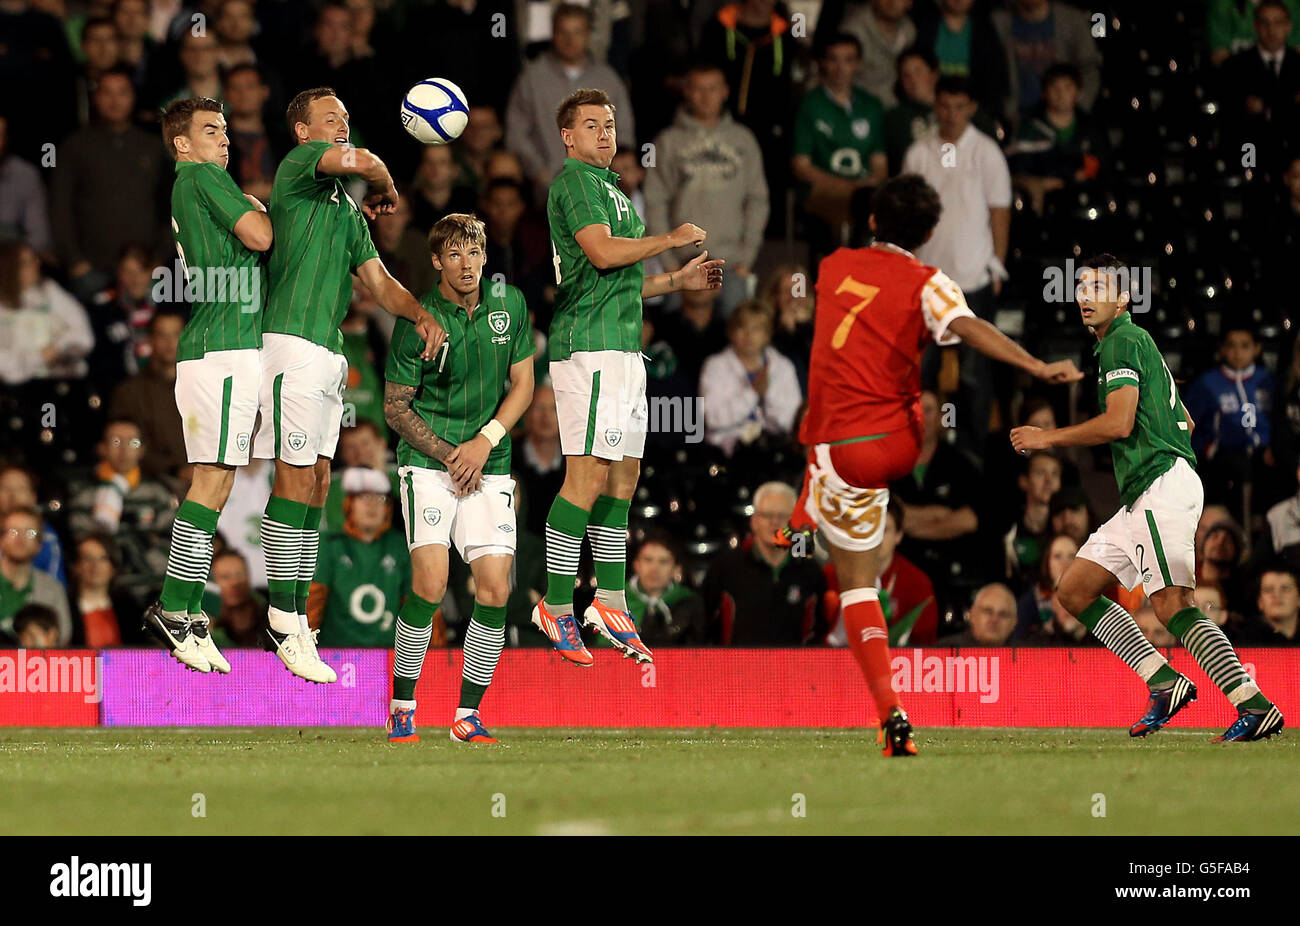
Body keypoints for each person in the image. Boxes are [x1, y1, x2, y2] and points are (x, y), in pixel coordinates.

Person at [781, 173, 1080, 757]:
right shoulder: (927, 281)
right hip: (899, 444)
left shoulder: (832, 266)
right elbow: (969, 328)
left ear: (871, 220)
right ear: (931, 232)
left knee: (857, 585)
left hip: (845, 447)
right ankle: (806, 506)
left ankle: (890, 709)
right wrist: (1036, 366)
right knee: (862, 430)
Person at [1012, 254, 1285, 741]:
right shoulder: (1134, 344)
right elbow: (1188, 422)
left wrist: (1046, 438)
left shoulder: (1121, 341)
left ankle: (1255, 704)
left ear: (1123, 298)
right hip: (1146, 492)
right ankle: (1164, 681)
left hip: (1161, 485)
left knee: (1173, 604)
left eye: (1099, 288)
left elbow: (1118, 423)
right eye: (1081, 287)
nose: (1085, 296)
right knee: (1074, 589)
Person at [253, 86, 445, 685]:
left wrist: (420, 314)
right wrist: (386, 183)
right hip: (290, 340)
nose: (341, 126)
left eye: (346, 117)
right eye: (330, 119)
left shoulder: (341, 209)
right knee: (294, 473)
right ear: (303, 134)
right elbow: (364, 162)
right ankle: (284, 618)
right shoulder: (297, 171)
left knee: (318, 480)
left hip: (326, 354)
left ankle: (292, 617)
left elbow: (379, 283)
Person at [530, 87, 722, 668]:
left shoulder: (614, 189)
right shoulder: (572, 184)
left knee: (624, 475)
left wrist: (676, 282)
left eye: (610, 124)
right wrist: (667, 240)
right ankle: (557, 604)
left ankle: (608, 601)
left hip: (619, 348)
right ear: (568, 137)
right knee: (586, 477)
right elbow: (604, 254)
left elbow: (620, 281)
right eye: (592, 126)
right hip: (586, 346)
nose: (605, 134)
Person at [383, 213, 534, 744]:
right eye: (454, 254)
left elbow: (524, 383)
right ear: (436, 261)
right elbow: (395, 409)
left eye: (473, 252)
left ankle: (466, 715)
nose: (466, 263)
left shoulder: (509, 306)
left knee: (494, 592)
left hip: (488, 462)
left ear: (485, 256)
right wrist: (454, 454)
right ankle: (403, 704)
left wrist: (483, 443)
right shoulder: (418, 320)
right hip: (428, 465)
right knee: (430, 585)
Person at [141, 96, 273, 676]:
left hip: (222, 349)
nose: (225, 140)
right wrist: (256, 205)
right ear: (182, 145)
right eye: (211, 130)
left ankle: (189, 612)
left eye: (224, 130)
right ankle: (174, 607)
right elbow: (262, 237)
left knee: (216, 484)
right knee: (211, 481)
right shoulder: (202, 177)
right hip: (219, 351)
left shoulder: (195, 183)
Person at [903, 76, 1012, 455]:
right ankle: (913, 451)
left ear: (971, 108)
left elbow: (999, 210)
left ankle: (973, 457)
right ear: (935, 106)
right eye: (944, 106)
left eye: (959, 106)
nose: (950, 114)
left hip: (974, 281)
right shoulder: (917, 154)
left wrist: (997, 264)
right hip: (926, 283)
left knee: (975, 377)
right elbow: (905, 215)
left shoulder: (987, 153)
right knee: (919, 373)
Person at [643, 60, 768, 316]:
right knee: (680, 341)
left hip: (732, 263)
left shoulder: (743, 140)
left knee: (739, 340)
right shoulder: (667, 142)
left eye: (713, 88)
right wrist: (667, 262)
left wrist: (747, 256)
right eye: (698, 89)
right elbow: (654, 202)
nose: (705, 97)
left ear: (725, 91)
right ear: (686, 92)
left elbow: (757, 200)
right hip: (682, 264)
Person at [51, 67, 169, 300]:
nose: (115, 100)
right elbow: (59, 206)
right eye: (107, 93)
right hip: (91, 269)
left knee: (151, 335)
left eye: (122, 92)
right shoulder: (74, 146)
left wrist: (159, 258)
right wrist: (74, 260)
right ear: (96, 98)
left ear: (133, 97)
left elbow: (170, 204)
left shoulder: (153, 146)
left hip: (145, 269)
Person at [505, 4, 635, 204]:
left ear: (588, 35)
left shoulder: (608, 80)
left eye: (577, 32)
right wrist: (541, 172)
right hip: (545, 195)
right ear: (553, 34)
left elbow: (624, 134)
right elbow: (516, 134)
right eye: (563, 32)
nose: (570, 40)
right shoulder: (532, 79)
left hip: (600, 196)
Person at [793, 34, 887, 261]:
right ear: (822, 63)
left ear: (858, 64)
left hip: (863, 195)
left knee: (873, 207)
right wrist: (845, 187)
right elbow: (801, 166)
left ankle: (860, 266)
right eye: (833, 59)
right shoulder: (809, 104)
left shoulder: (871, 105)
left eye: (848, 60)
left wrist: (861, 187)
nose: (840, 68)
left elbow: (880, 167)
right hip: (824, 191)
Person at [703, 482, 828, 645]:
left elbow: (820, 632)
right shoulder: (724, 569)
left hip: (795, 668)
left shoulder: (811, 572)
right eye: (767, 515)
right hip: (735, 668)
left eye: (783, 516)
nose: (774, 522)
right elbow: (706, 628)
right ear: (754, 521)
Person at [67, 418, 176, 604]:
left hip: (154, 589)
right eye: (115, 441)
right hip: (103, 592)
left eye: (132, 442)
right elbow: (82, 542)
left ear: (142, 450)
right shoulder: (83, 494)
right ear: (102, 447)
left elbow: (173, 542)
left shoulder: (159, 493)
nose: (123, 449)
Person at [308, 467, 410, 647]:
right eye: (363, 497)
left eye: (380, 498)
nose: (372, 505)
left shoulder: (402, 546)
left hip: (390, 658)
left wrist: (434, 658)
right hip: (334, 658)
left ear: (388, 508)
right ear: (349, 503)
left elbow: (417, 606)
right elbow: (312, 606)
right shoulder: (329, 545)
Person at [1186, 326, 1275, 510]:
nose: (1238, 352)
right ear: (1222, 349)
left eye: (1245, 346)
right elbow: (1188, 422)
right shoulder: (1208, 383)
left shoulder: (1267, 380)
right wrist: (1205, 448)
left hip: (1264, 456)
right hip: (1223, 458)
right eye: (1231, 346)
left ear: (1257, 349)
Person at [701, 300, 801, 458]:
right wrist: (752, 393)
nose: (748, 335)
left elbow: (791, 421)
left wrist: (767, 394)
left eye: (756, 329)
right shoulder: (715, 366)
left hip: (774, 452)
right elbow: (713, 419)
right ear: (731, 332)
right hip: (724, 454)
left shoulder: (782, 366)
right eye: (742, 327)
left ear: (767, 335)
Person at [108, 308, 187, 479]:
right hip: (151, 484)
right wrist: (176, 471)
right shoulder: (129, 392)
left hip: (205, 480)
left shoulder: (203, 388)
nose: (170, 342)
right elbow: (124, 446)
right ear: (150, 339)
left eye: (176, 334)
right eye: (162, 335)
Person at [0, 243, 94, 385]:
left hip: (65, 380)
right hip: (21, 390)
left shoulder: (48, 290)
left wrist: (57, 347)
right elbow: (10, 370)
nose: (36, 266)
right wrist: (40, 357)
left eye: (35, 260)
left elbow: (84, 336)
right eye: (27, 263)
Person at [992, 0, 1102, 119]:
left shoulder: (1072, 21)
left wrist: (1076, 111)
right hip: (1016, 120)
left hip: (1063, 119)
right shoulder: (998, 23)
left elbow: (1089, 70)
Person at [0, 507, 72, 645]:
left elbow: (62, 638)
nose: (20, 538)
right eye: (13, 531)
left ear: (39, 544)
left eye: (30, 533)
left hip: (37, 664)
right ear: (1, 539)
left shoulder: (53, 589)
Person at [623, 530, 706, 646]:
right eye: (648, 560)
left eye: (663, 562)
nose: (654, 568)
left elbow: (698, 654)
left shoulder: (690, 603)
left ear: (677, 569)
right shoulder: (616, 601)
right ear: (636, 565)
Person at [839, 0, 917, 108]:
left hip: (896, 106)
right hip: (860, 106)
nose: (892, 2)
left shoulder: (909, 30)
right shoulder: (854, 30)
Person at [512, 380, 564, 537]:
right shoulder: (509, 457)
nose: (546, 416)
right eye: (539, 408)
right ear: (526, 413)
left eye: (554, 409)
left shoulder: (575, 463)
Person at [1003, 451, 1062, 590]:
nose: (1048, 481)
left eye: (1054, 474)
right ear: (1024, 481)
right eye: (1041, 473)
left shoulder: (1064, 530)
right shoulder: (1008, 529)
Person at [0, 465, 65, 587]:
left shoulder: (47, 537)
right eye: (5, 487)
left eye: (20, 488)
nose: (12, 495)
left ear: (33, 497)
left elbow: (54, 587)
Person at [70, 534, 134, 647]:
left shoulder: (129, 607)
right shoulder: (65, 606)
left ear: (113, 566)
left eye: (103, 559)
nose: (95, 566)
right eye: (88, 558)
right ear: (76, 566)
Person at [1016, 532, 1078, 639]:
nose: (1065, 563)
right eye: (1057, 556)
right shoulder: (1030, 602)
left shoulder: (1094, 598)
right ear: (1047, 562)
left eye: (1071, 556)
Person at [938, 583, 1017, 646]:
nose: (994, 619)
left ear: (1014, 622)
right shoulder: (945, 650)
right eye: (988, 611)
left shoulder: (1025, 655)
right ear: (972, 615)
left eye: (1003, 614)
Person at [1245, 565, 1300, 643]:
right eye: (1268, 590)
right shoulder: (1243, 643)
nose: (1277, 595)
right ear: (1260, 601)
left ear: (1299, 598)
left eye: (1285, 589)